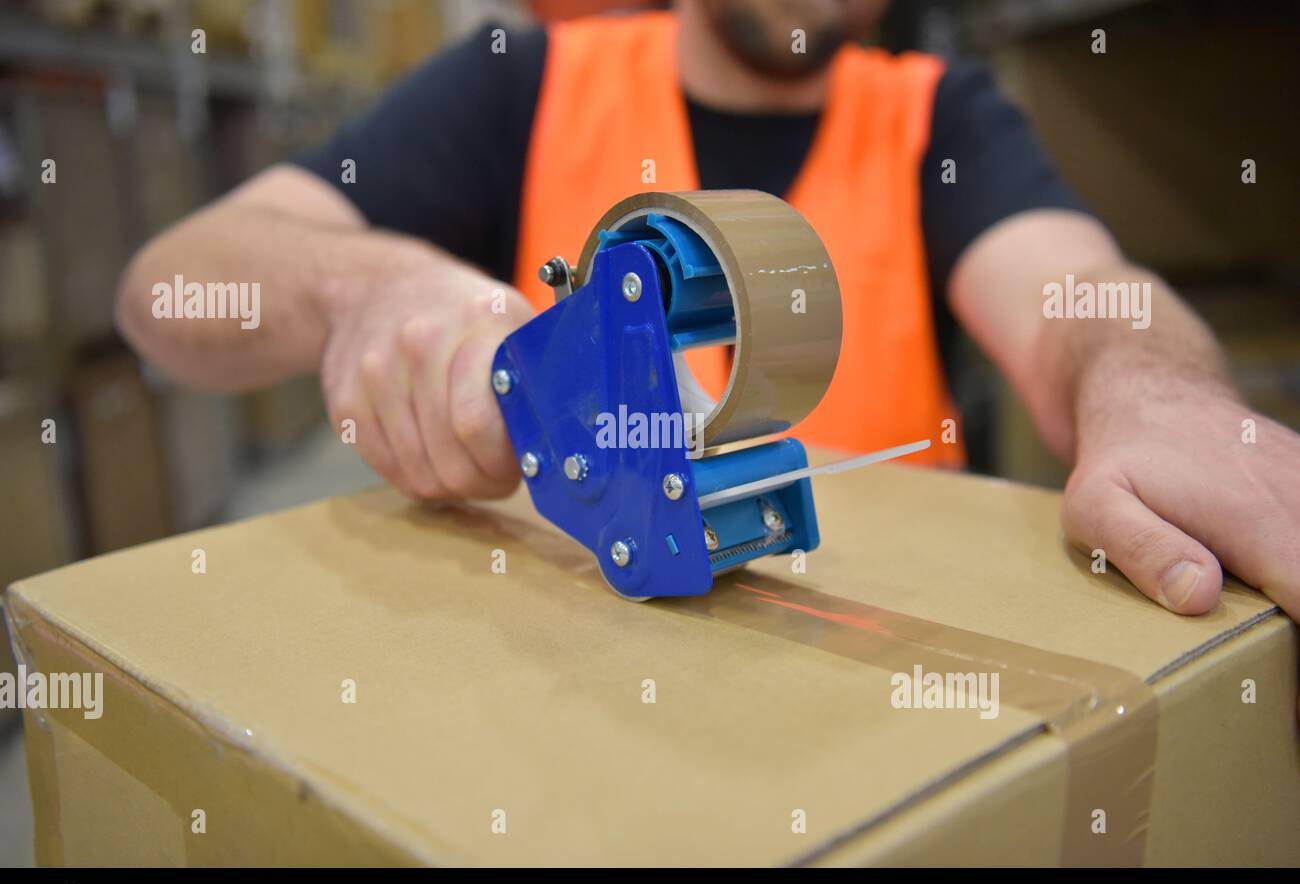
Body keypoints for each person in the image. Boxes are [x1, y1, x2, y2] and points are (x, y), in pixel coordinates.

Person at [115, 0, 1300, 623]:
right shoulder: (521, 81)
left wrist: (1153, 393)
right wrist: (368, 286)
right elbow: (167, 282)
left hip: (873, 681)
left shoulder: (941, 116)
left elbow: (1073, 293)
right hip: (573, 656)